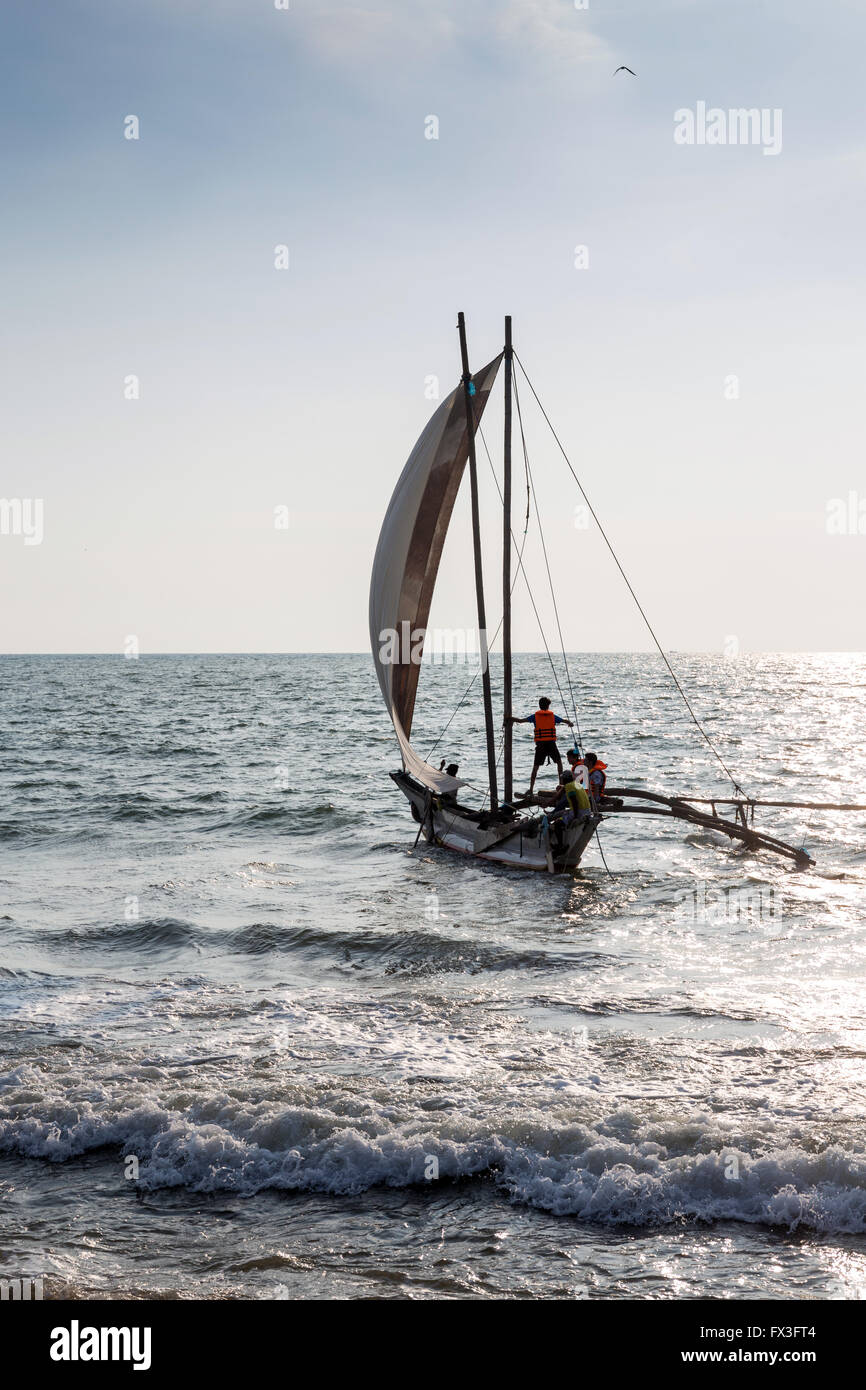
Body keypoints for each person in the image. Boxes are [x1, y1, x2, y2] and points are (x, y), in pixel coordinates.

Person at [507, 697, 573, 794]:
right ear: (548, 706)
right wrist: (570, 723)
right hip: (551, 744)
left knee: (535, 767)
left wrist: (509, 718)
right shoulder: (552, 716)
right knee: (559, 763)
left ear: (539, 705)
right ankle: (561, 785)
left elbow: (521, 721)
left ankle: (531, 789)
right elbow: (565, 721)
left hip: (541, 745)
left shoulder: (535, 716)